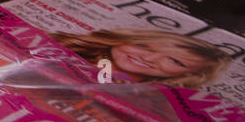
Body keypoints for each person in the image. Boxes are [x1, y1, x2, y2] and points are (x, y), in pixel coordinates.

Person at [50, 29, 232, 88]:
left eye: (175, 61)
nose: (149, 58)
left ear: (193, 74)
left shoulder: (151, 102)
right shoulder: (61, 43)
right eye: (143, 46)